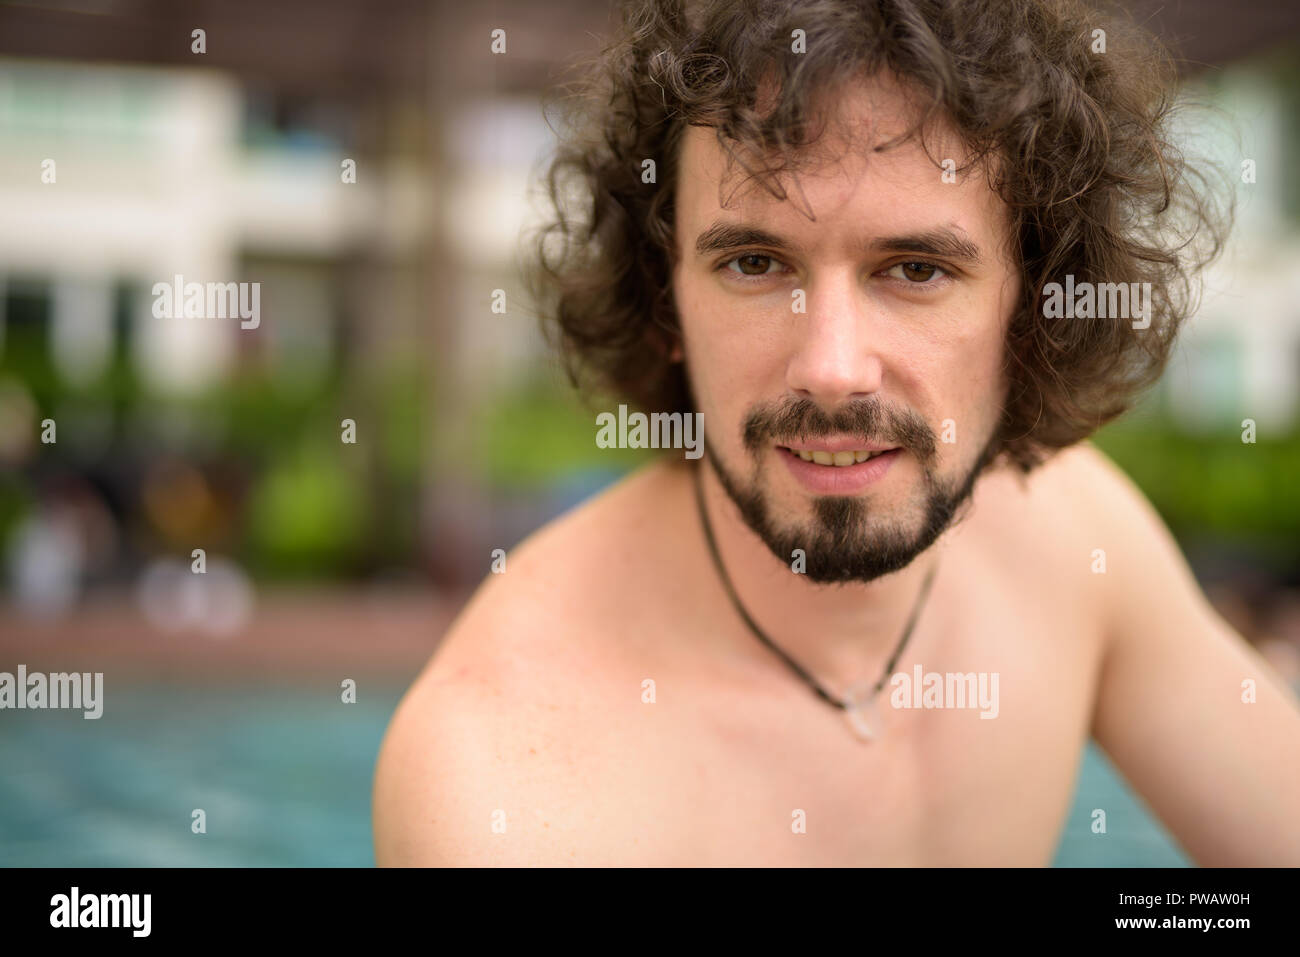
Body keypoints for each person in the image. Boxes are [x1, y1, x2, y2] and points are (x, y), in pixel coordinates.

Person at [373, 0, 1300, 865]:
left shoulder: (1076, 539)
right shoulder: (505, 779)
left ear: (1035, 308)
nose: (832, 365)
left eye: (915, 268)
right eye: (753, 261)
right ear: (666, 302)